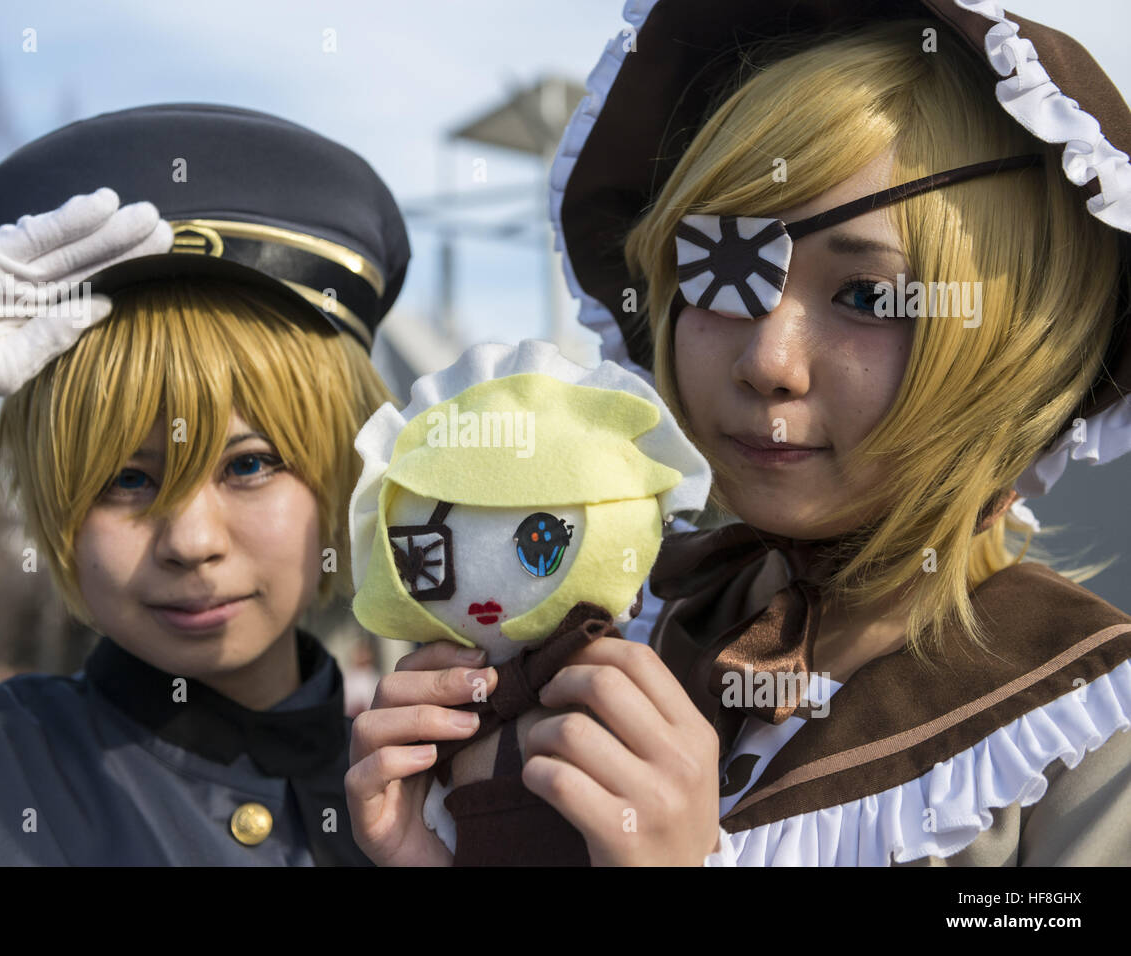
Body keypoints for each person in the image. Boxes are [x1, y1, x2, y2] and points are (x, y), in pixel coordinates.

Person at [346, 1, 1131, 865]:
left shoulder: (1083, 726)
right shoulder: (611, 619)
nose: (769, 360)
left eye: (870, 295)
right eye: (723, 267)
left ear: (1024, 344)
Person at [0, 103, 407, 865]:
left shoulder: (479, 801)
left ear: (348, 467)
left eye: (249, 464)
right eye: (125, 479)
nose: (191, 543)